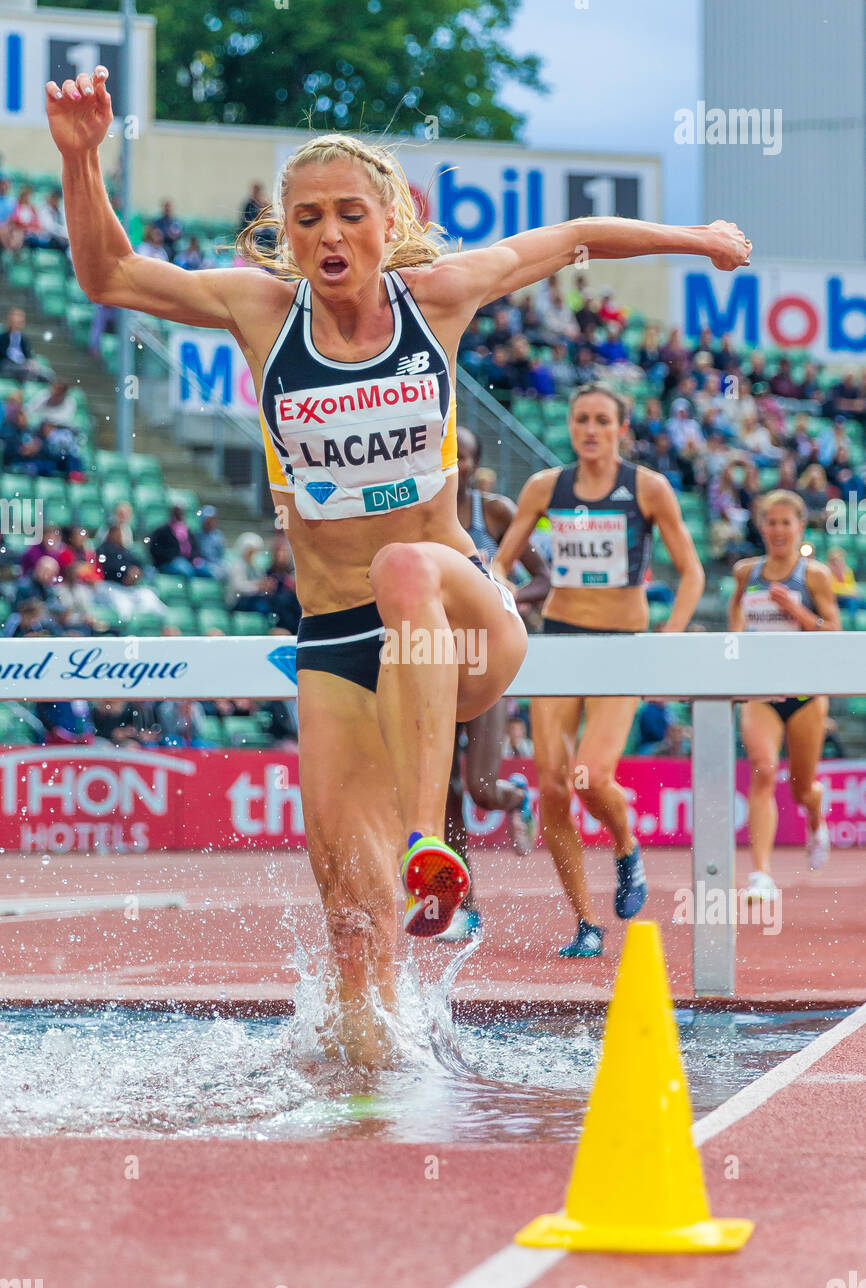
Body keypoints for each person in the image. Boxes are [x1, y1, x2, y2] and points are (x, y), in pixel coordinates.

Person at [48, 64, 750, 1063]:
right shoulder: (260, 312)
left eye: (346, 214)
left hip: (461, 618)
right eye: (304, 220)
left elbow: (573, 240)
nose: (327, 236)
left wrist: (700, 241)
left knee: (405, 570)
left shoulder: (441, 295)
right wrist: (80, 158)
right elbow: (109, 276)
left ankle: (433, 839)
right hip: (336, 641)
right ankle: (375, 1081)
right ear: (284, 235)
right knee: (349, 923)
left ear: (389, 220)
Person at [493, 385, 706, 958]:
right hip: (560, 644)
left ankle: (625, 844)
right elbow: (499, 562)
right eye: (581, 419)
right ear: (570, 425)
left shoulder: (646, 488)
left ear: (621, 429)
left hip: (622, 648)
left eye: (602, 420)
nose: (591, 429)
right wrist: (501, 593)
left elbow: (692, 573)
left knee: (589, 775)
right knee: (555, 787)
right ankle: (586, 922)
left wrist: (670, 635)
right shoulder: (545, 488)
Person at [440, 424, 550, 942]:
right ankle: (464, 906)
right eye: (448, 453)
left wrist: (507, 594)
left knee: (480, 790)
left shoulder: (496, 512)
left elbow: (545, 579)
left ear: (475, 462)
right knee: (445, 791)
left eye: (464, 455)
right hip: (436, 663)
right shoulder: (421, 513)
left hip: (485, 664)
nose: (456, 462)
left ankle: (515, 798)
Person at [728, 490, 841, 902]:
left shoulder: (814, 576)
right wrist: (738, 643)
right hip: (762, 692)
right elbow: (736, 614)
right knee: (761, 768)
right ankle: (761, 874)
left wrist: (797, 613)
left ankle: (815, 811)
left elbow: (834, 632)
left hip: (806, 693)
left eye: (785, 523)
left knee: (801, 786)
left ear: (799, 528)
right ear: (761, 527)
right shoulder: (746, 571)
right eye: (770, 522)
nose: (777, 530)